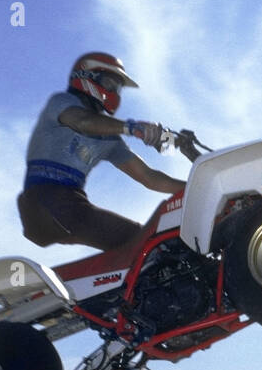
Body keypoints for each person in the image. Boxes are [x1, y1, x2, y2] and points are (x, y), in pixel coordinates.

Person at [16, 52, 185, 252]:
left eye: (118, 88)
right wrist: (132, 128)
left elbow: (150, 178)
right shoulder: (61, 102)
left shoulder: (110, 138)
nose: (115, 92)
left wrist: (198, 186)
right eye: (110, 84)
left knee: (145, 242)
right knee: (145, 241)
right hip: (45, 200)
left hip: (68, 204)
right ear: (87, 79)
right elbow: (83, 122)